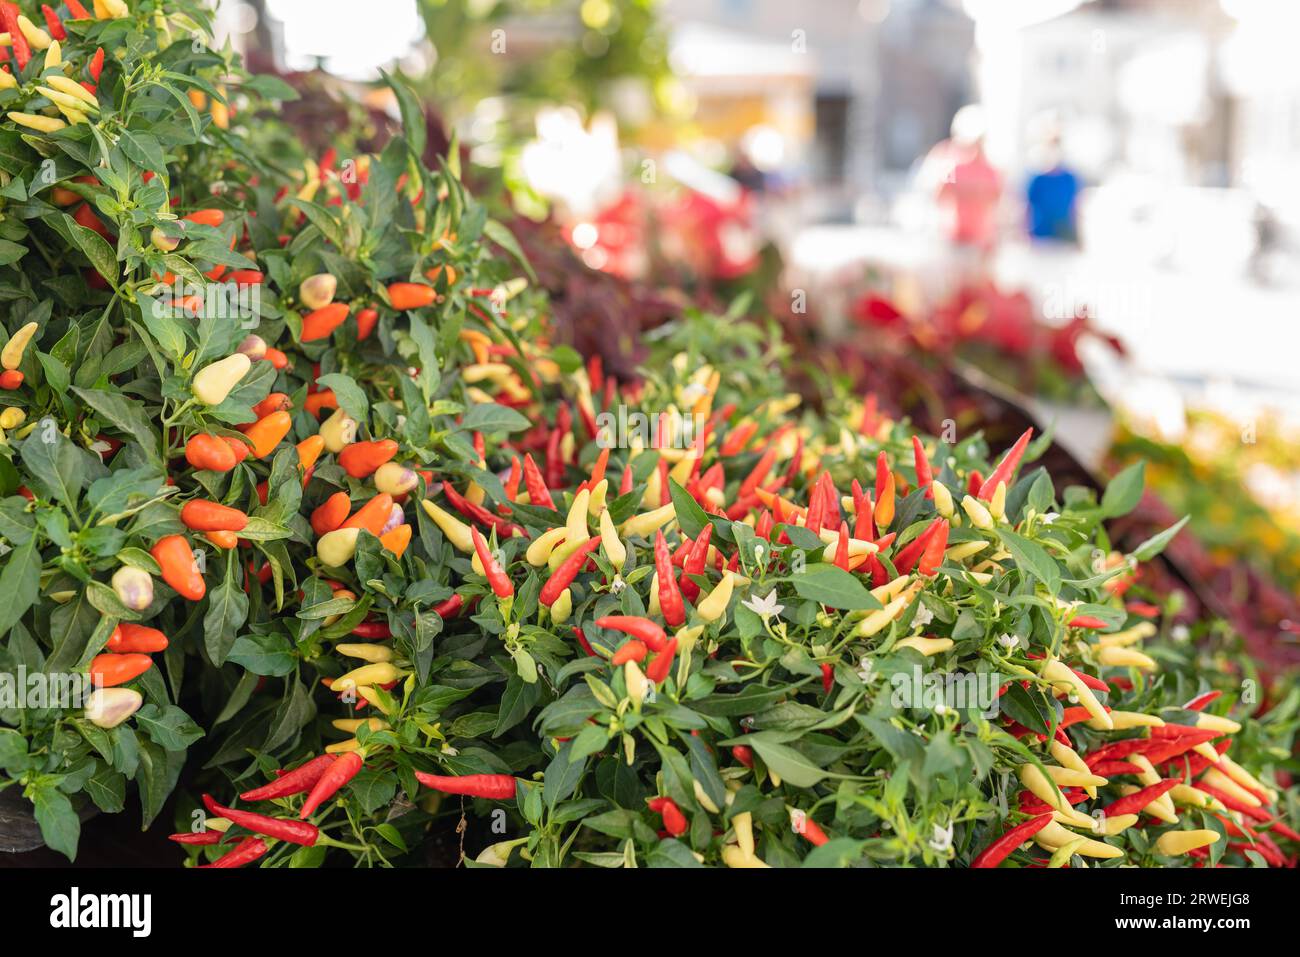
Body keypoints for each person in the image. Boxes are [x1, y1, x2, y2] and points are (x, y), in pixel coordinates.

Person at [1025, 132, 1080, 242]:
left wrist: (1077, 237)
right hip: (1041, 237)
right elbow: (1028, 207)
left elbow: (1074, 208)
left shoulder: (1069, 179)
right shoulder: (1038, 180)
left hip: (1064, 235)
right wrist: (1026, 234)